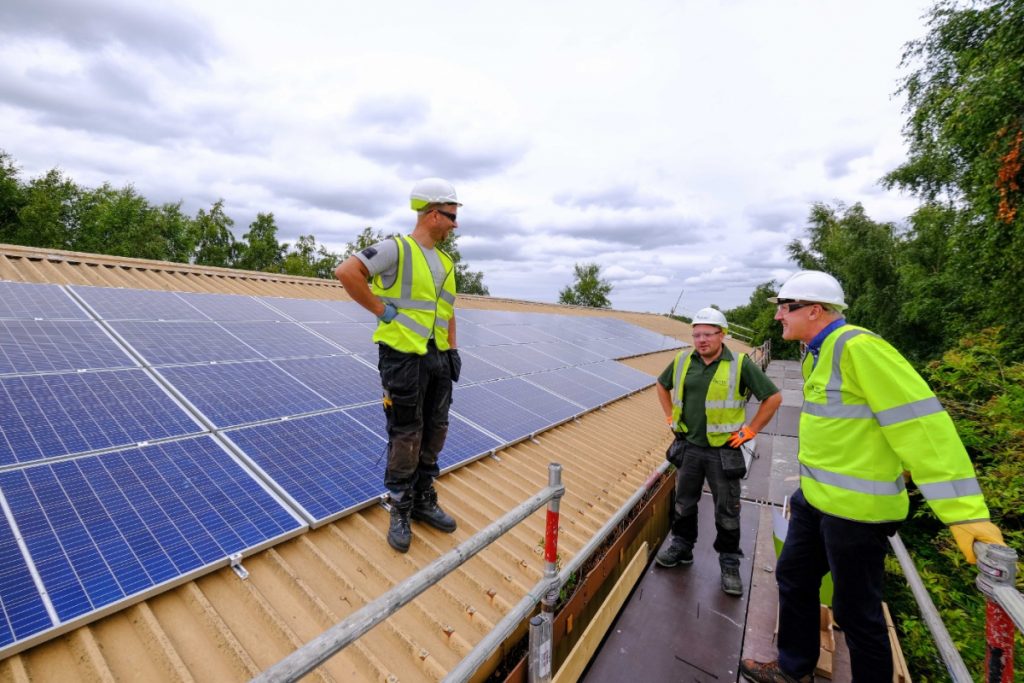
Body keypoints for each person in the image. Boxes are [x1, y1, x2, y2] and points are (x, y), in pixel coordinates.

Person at [741, 270, 1006, 683]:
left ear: (814, 310)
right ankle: (793, 669)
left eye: (785, 307)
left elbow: (921, 426)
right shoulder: (816, 351)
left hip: (858, 513)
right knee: (793, 578)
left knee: (856, 614)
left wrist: (964, 513)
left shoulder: (859, 349)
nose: (777, 316)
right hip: (816, 501)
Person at [334, 177, 463, 553]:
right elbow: (347, 272)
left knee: (436, 428)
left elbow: (449, 310)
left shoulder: (446, 262)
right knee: (407, 432)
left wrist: (453, 350)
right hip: (402, 357)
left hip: (437, 357)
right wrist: (380, 309)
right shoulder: (397, 249)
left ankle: (424, 499)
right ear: (432, 213)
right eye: (451, 216)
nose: (455, 224)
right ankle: (401, 506)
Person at [655, 307, 782, 596]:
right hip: (688, 447)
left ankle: (729, 563)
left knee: (727, 510)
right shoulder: (683, 360)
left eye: (708, 334)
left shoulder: (739, 364)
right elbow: (662, 386)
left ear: (722, 335)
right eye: (696, 334)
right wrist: (669, 417)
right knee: (684, 504)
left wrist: (751, 431)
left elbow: (773, 397)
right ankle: (682, 548)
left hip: (723, 451)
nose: (701, 340)